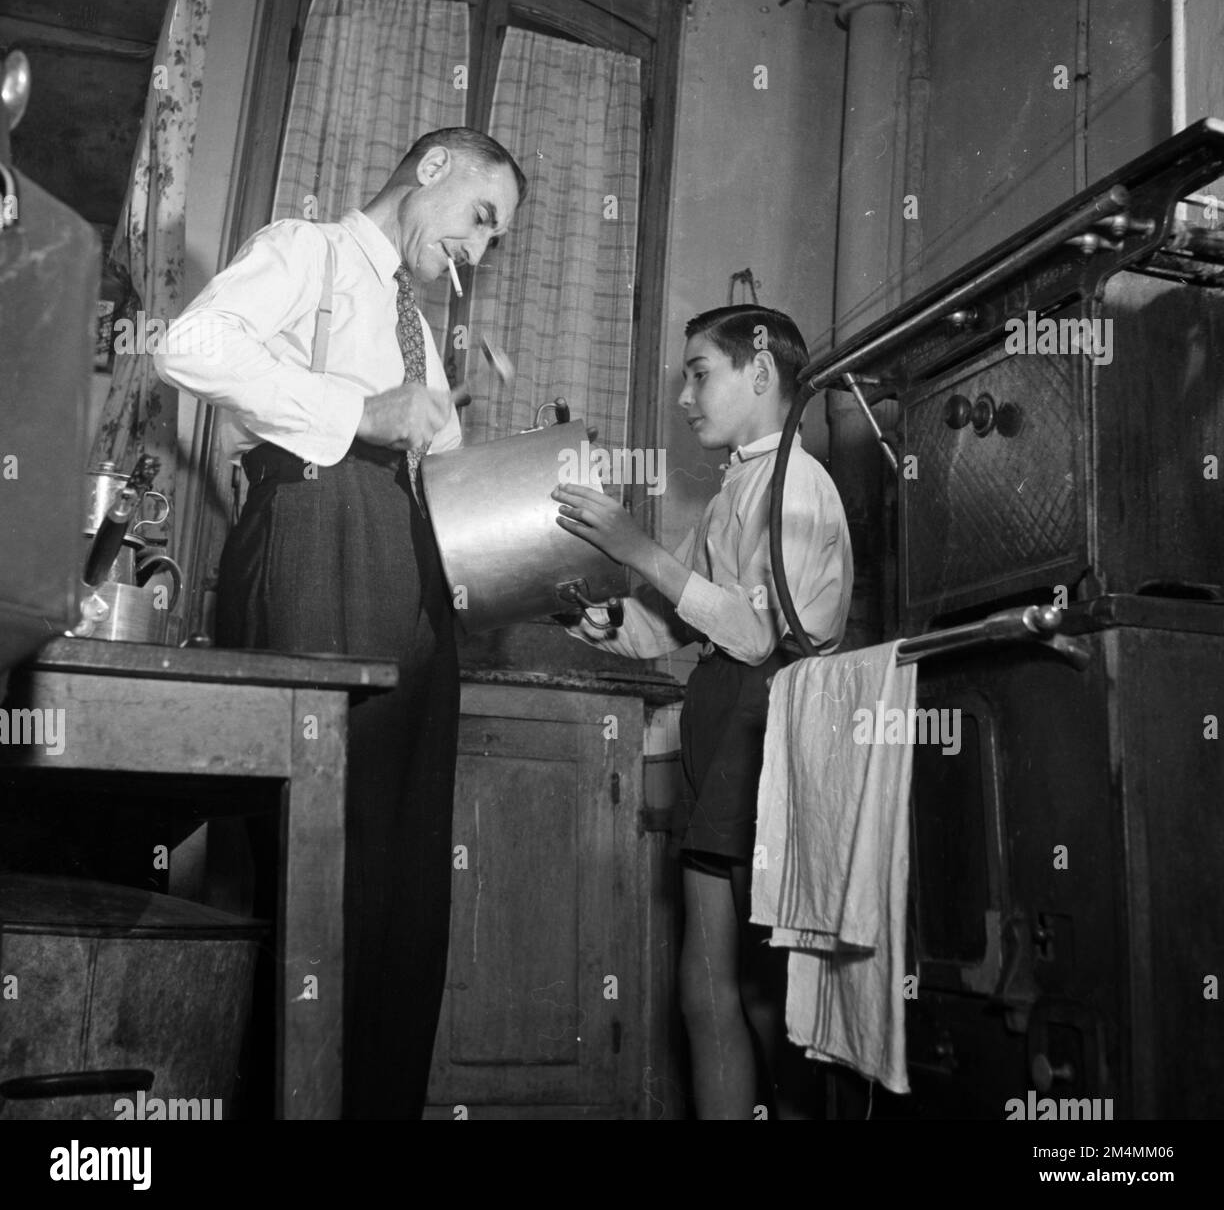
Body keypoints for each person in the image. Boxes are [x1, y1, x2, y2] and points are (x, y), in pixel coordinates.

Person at [155, 126, 526, 1119]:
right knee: (327, 865)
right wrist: (359, 409)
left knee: (405, 886)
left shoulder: (415, 314)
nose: (481, 253)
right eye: (482, 220)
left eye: (499, 242)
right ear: (432, 168)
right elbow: (186, 345)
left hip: (409, 571)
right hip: (321, 539)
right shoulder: (307, 249)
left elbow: (434, 458)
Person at [552, 303, 852, 1119]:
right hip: (726, 723)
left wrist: (633, 546)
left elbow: (756, 634)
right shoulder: (736, 489)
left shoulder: (798, 487)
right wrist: (601, 618)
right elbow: (667, 622)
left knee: (758, 994)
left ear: (760, 373)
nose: (685, 397)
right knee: (709, 987)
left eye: (698, 374)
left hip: (771, 727)